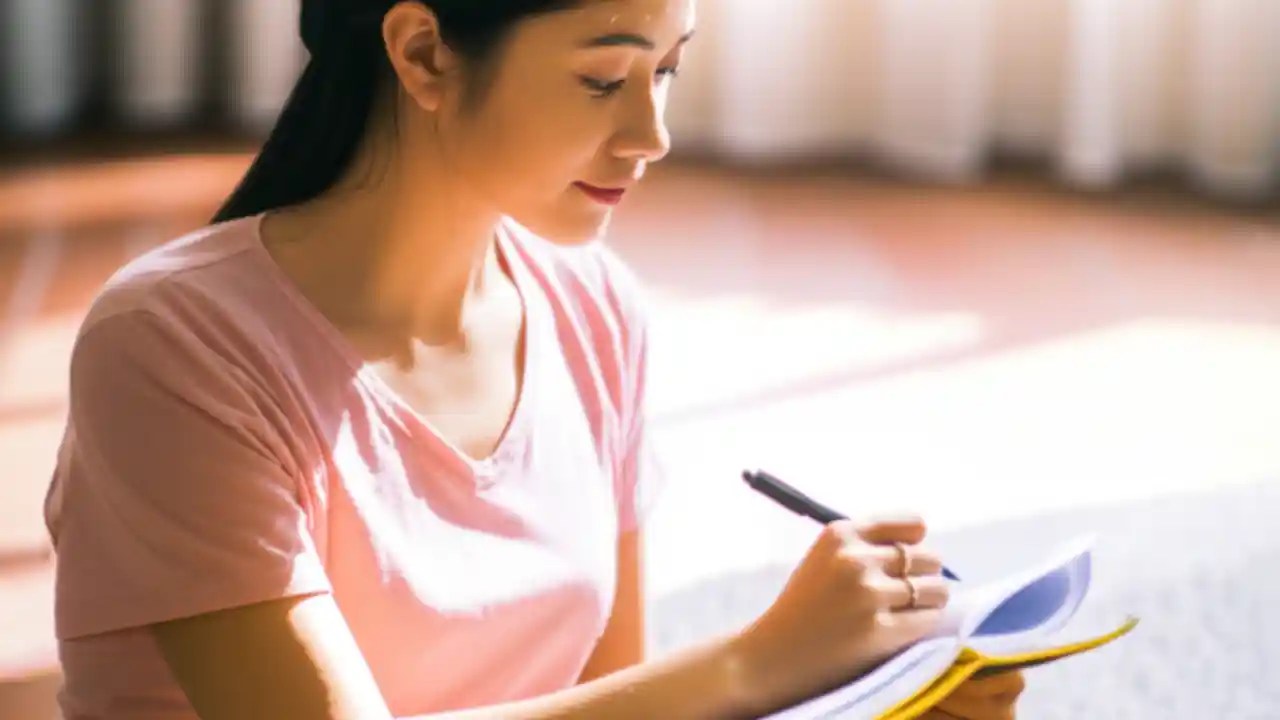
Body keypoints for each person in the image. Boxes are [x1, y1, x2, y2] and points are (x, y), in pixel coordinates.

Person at [43, 1, 1027, 718]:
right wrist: (760, 659)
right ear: (423, 54)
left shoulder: (592, 310)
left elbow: (617, 699)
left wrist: (859, 683)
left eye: (667, 71)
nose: (652, 134)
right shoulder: (175, 346)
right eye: (603, 78)